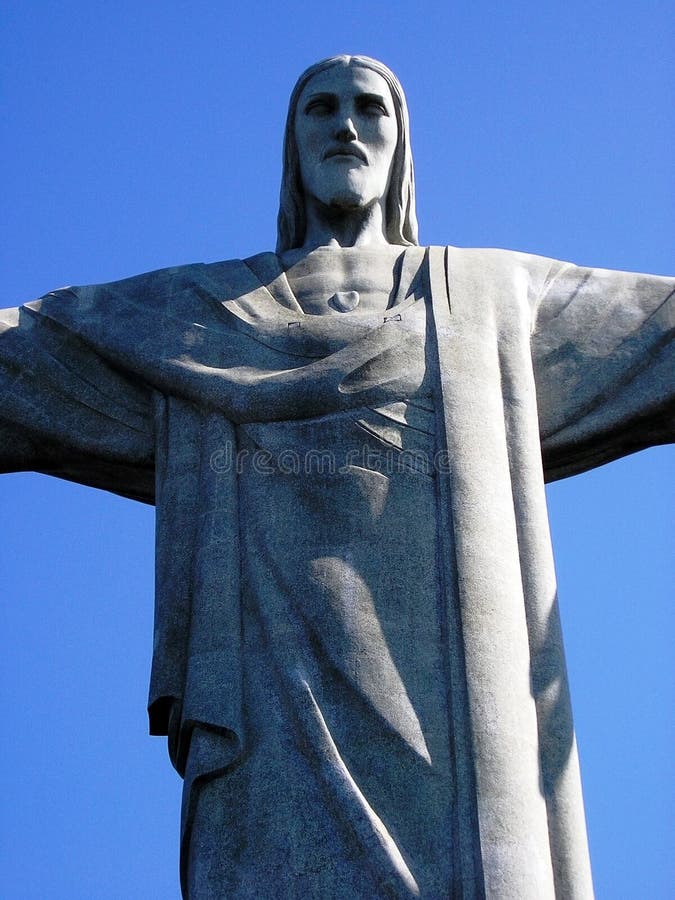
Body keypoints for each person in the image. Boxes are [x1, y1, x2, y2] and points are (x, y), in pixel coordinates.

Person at [0, 55, 672, 899]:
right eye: (320, 108)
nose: (344, 126)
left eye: (369, 109)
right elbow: (27, 356)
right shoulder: (190, 319)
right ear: (292, 144)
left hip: (467, 722)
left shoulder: (491, 295)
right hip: (267, 705)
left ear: (400, 144)